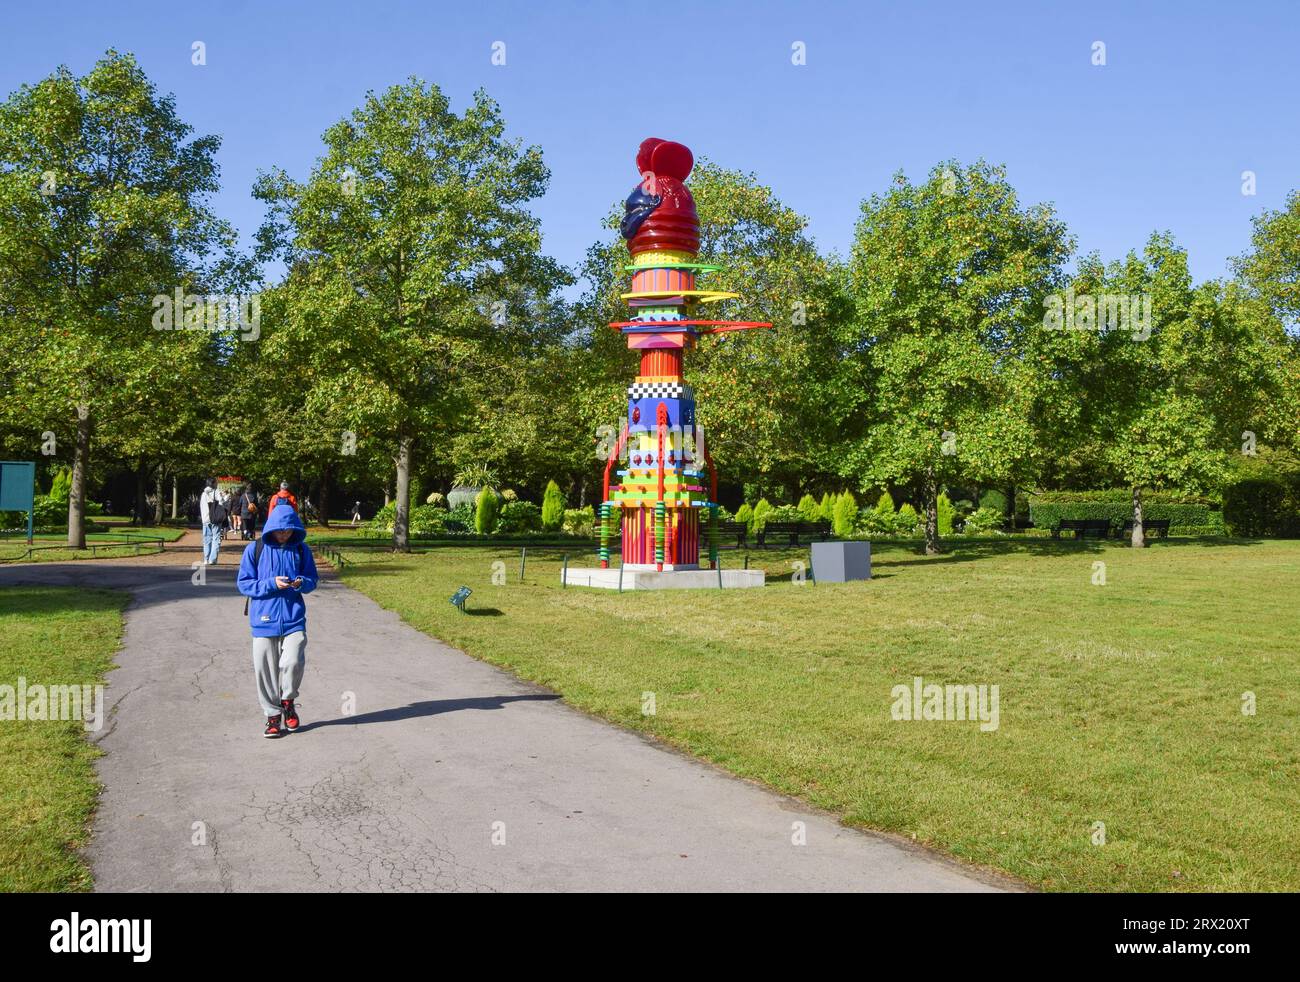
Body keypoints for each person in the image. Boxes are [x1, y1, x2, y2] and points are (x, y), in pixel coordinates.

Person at [236, 503, 318, 738]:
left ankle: (288, 701)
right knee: (264, 669)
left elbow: (313, 580)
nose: (284, 534)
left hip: (293, 618)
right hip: (263, 620)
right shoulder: (255, 549)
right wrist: (272, 583)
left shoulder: (302, 550)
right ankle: (272, 716)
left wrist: (302, 581)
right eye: (280, 530)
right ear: (271, 528)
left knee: (293, 661)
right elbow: (244, 584)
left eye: (289, 530)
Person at [199, 478, 226, 564]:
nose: (217, 484)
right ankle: (213, 559)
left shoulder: (203, 494)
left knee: (207, 539)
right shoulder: (216, 492)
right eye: (216, 483)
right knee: (216, 538)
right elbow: (222, 504)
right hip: (215, 519)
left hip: (205, 519)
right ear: (213, 484)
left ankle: (206, 559)